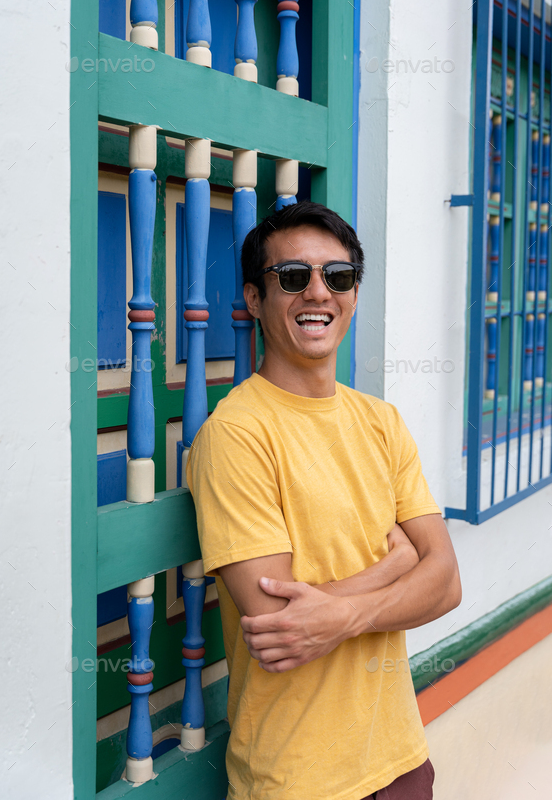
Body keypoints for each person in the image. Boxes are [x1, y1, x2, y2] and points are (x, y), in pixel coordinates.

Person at [187, 201, 461, 800]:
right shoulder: (237, 434)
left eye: (337, 276)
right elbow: (278, 629)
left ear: (354, 295)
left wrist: (339, 614)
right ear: (256, 299)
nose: (318, 292)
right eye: (293, 277)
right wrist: (395, 566)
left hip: (401, 761)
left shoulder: (381, 422)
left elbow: (446, 582)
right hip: (297, 778)